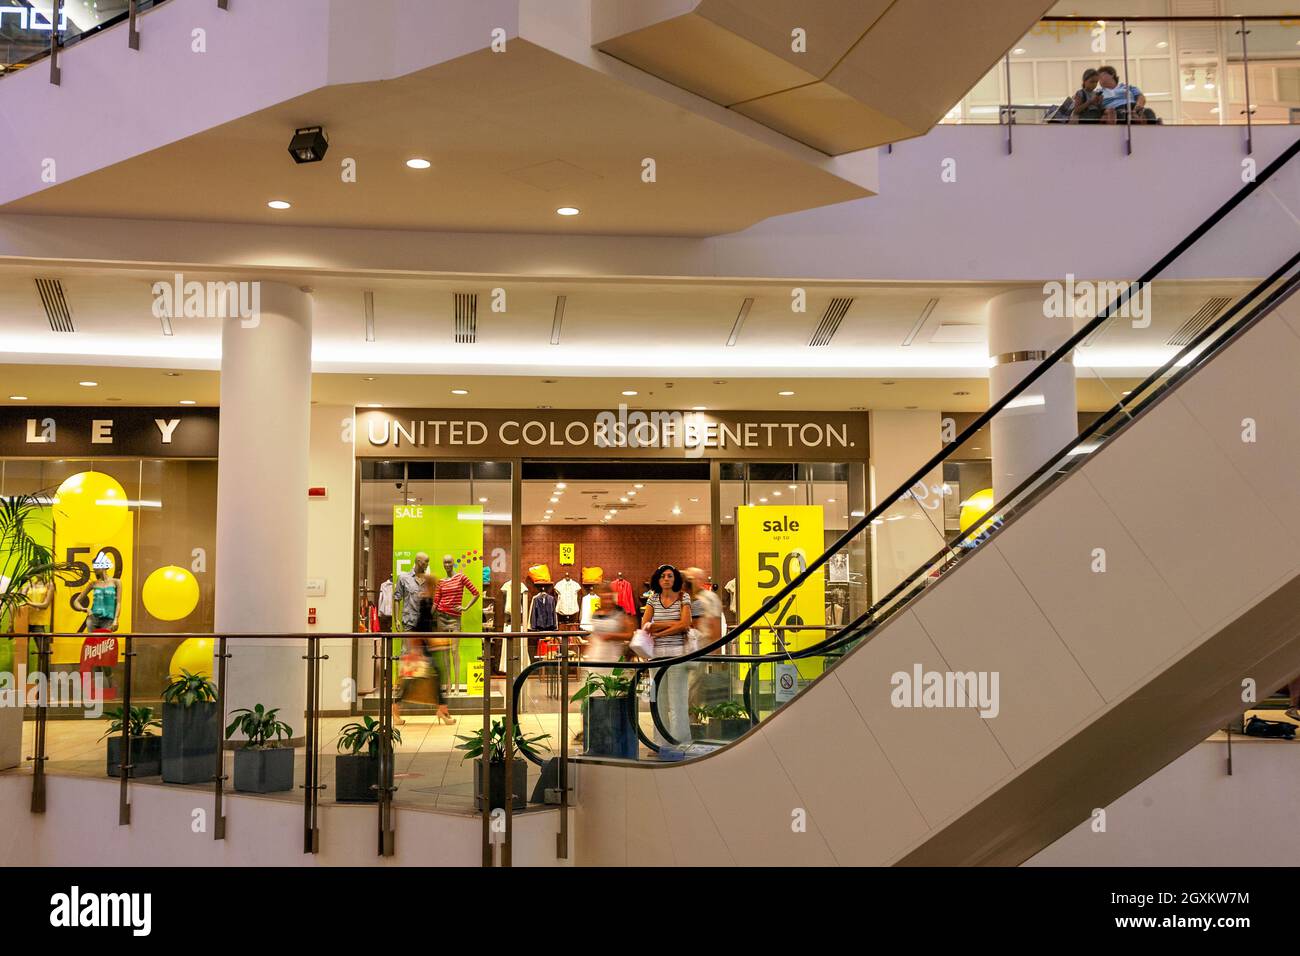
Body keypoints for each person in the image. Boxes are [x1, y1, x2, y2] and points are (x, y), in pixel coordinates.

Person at [641, 564, 692, 748]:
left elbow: (685, 624)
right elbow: (645, 624)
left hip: (677, 655)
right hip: (656, 656)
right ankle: (661, 744)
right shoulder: (653, 599)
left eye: (670, 576)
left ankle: (682, 743)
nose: (667, 579)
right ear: (658, 579)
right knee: (658, 701)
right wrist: (673, 625)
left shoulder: (683, 597)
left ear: (675, 578)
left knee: (678, 701)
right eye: (663, 576)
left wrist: (659, 629)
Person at [74, 552, 120, 632]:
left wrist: (116, 619)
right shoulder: (93, 584)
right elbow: (76, 601)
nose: (94, 568)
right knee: (93, 643)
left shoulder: (116, 582)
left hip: (108, 620)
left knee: (105, 643)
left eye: (96, 565)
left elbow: (118, 602)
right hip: (93, 619)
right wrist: (85, 609)